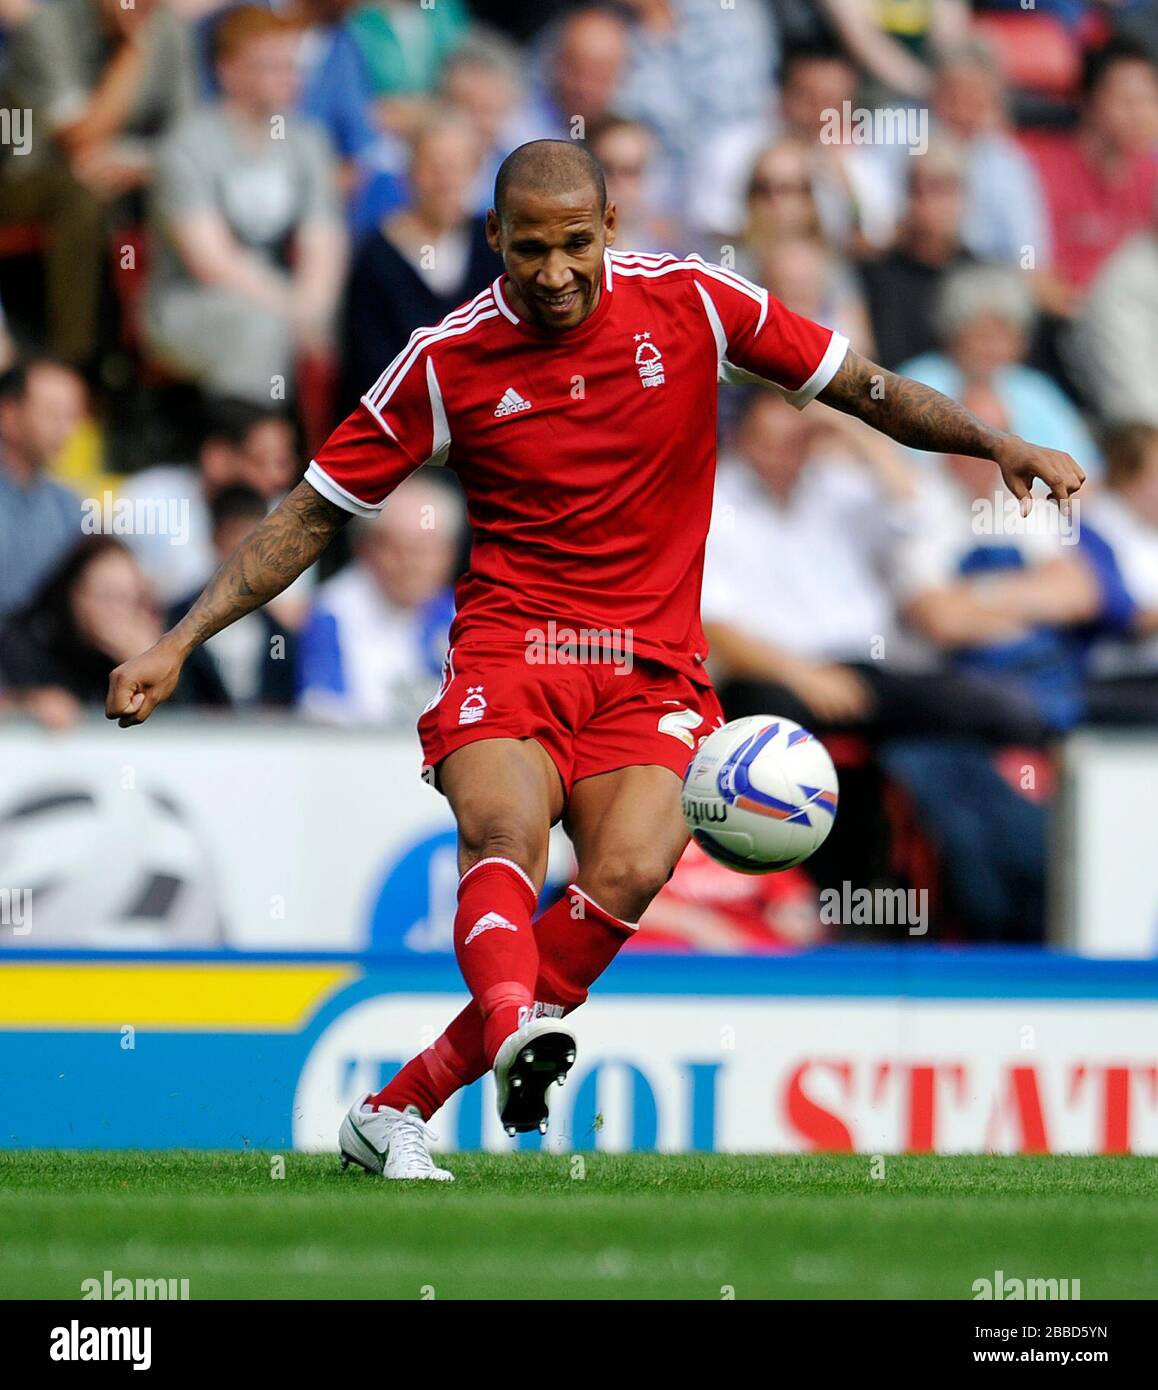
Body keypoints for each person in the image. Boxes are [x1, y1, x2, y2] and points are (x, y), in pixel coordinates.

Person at [105, 139, 1085, 1180]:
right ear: (494, 240)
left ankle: (400, 1105)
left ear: (611, 227)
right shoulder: (445, 358)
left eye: (577, 243)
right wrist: (177, 640)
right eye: (532, 249)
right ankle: (519, 1026)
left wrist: (996, 443)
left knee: (630, 867)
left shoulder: (697, 303)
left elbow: (864, 388)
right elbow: (310, 515)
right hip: (512, 648)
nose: (558, 270)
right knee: (503, 830)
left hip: (651, 666)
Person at [144, 5, 347, 404]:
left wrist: (313, 308)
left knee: (346, 310)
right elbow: (211, 262)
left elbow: (324, 239)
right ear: (227, 70)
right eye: (272, 66)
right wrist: (292, 309)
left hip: (278, 298)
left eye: (292, 64)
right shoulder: (188, 143)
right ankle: (250, 446)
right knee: (261, 324)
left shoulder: (308, 140)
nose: (290, 77)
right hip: (188, 302)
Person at [0, 0, 196, 368]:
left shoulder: (168, 26)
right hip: (26, 173)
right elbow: (79, 136)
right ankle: (74, 364)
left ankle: (154, 358)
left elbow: (191, 140)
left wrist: (134, 162)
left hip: (119, 175)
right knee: (81, 194)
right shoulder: (45, 26)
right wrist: (134, 51)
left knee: (185, 189)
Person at [340, 113, 500, 415]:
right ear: (409, 171)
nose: (445, 180)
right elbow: (366, 364)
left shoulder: (493, 245)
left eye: (456, 167)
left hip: (482, 419)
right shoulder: (376, 255)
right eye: (433, 166)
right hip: (398, 424)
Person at [297, 472, 460, 726]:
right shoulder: (331, 613)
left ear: (449, 554)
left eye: (421, 550)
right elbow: (323, 717)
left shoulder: (462, 612)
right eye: (396, 549)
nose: (409, 564)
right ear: (365, 549)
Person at [116, 397, 297, 608]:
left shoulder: (287, 516)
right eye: (261, 461)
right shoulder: (147, 500)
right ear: (217, 457)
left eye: (284, 462)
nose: (278, 477)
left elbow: (292, 614)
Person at [0, 536, 161, 718]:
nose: (118, 612)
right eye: (107, 596)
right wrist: (27, 702)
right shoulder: (24, 643)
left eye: (130, 599)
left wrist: (150, 672)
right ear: (72, 593)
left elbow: (181, 723)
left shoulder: (140, 653)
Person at [168, 486, 297, 709]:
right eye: (238, 539)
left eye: (260, 542)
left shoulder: (278, 633)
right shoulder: (172, 622)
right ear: (215, 538)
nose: (250, 555)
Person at [0, 360, 87, 617]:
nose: (66, 429)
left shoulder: (69, 505)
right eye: (52, 414)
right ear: (8, 414)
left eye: (72, 416)